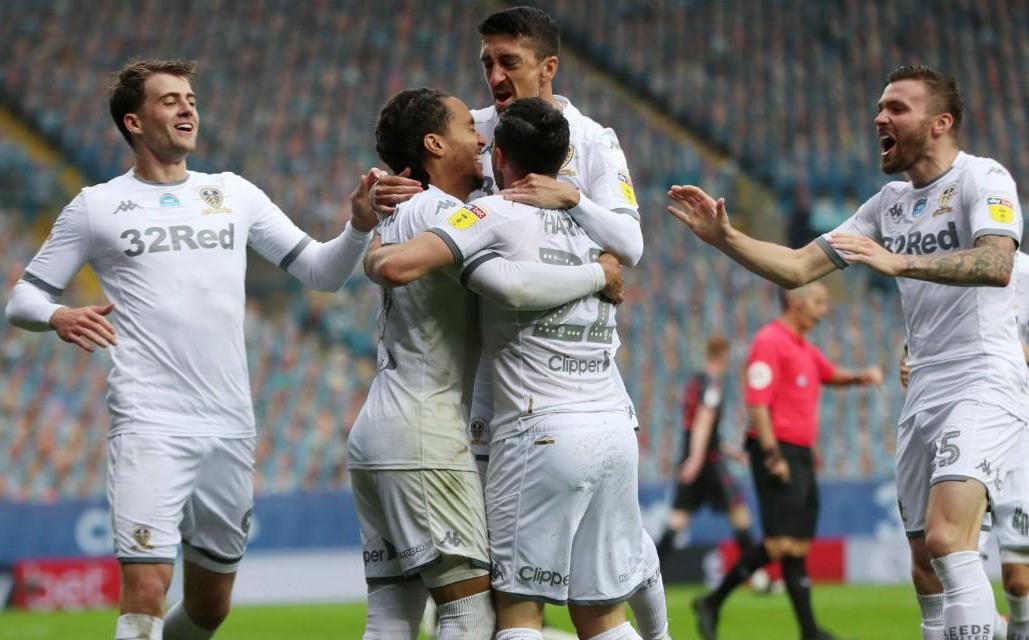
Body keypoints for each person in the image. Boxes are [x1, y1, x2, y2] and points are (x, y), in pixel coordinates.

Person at [4, 59, 378, 640]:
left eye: (191, 99)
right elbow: (22, 299)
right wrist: (57, 314)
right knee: (146, 592)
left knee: (211, 607)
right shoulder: (96, 206)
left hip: (228, 424)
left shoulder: (232, 194)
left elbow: (320, 272)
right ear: (134, 121)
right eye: (170, 99)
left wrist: (356, 229)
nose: (187, 108)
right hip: (149, 421)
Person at [668, 64, 1027, 640]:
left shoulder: (982, 179)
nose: (879, 117)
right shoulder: (886, 204)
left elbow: (997, 262)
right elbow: (795, 268)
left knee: (946, 541)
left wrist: (899, 262)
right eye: (880, 107)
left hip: (983, 376)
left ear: (941, 123)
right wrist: (726, 238)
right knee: (923, 568)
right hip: (926, 387)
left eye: (896, 109)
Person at [372, 8, 669, 639]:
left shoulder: (590, 140)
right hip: (529, 387)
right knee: (597, 597)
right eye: (487, 62)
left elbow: (631, 245)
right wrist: (378, 198)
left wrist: (574, 199)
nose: (494, 75)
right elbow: (410, 168)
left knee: (508, 599)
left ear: (547, 67)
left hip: (538, 402)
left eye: (509, 61)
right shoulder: (469, 129)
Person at [348, 87, 623, 640]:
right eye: (465, 129)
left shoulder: (398, 211)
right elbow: (509, 284)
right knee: (470, 611)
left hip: (377, 433)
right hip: (424, 435)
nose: (479, 138)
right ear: (433, 143)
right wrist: (600, 276)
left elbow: (387, 261)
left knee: (390, 616)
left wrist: (371, 250)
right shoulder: (449, 215)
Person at [690, 284, 882, 639]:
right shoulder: (769, 342)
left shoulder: (803, 347)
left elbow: (829, 373)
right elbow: (758, 403)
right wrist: (772, 454)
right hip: (776, 450)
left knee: (798, 547)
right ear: (795, 303)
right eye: (819, 302)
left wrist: (859, 376)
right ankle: (712, 601)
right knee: (780, 544)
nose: (824, 310)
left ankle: (809, 631)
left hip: (802, 452)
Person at [900, 251, 1029, 640]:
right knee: (945, 557)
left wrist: (1010, 355)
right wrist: (910, 360)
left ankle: (1012, 627)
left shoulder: (1021, 271)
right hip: (967, 422)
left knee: (1018, 579)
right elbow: (922, 338)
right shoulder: (948, 266)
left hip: (1016, 430)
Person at [655, 336, 756, 568]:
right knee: (739, 514)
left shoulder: (695, 382)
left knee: (678, 520)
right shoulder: (712, 385)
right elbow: (704, 420)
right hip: (707, 463)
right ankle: (755, 574)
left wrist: (733, 454)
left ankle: (648, 576)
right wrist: (697, 458)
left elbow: (706, 433)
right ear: (722, 355)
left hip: (696, 458)